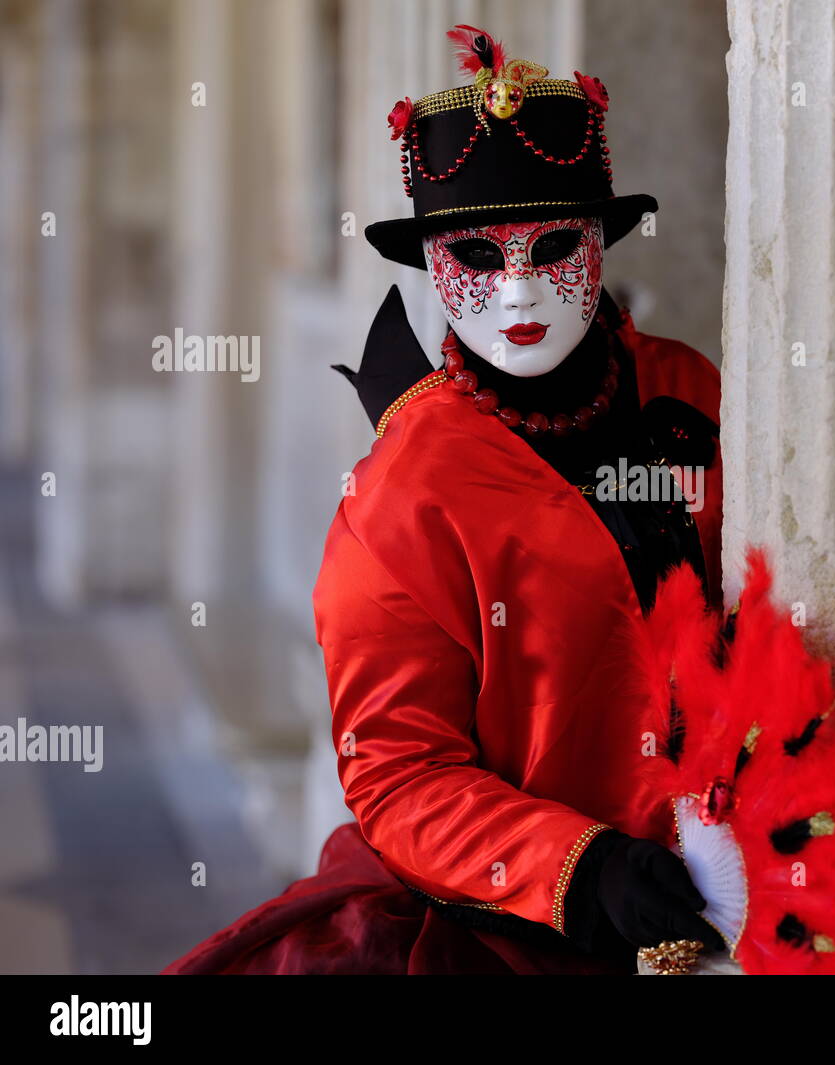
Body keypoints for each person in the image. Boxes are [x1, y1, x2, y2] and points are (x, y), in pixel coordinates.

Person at [165, 25, 726, 975]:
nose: (518, 288)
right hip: (507, 925)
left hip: (725, 886)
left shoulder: (688, 393)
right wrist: (579, 868)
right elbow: (398, 773)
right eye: (474, 253)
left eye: (554, 247)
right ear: (430, 263)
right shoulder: (401, 494)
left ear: (601, 241)